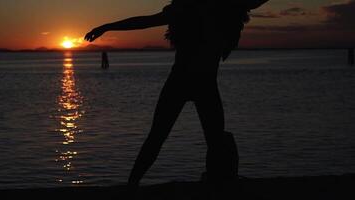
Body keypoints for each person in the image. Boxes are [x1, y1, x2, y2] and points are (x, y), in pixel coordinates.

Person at [85, 0, 268, 190]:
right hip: (191, 82)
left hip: (189, 82)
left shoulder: (217, 7)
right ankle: (133, 184)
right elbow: (144, 21)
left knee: (204, 139)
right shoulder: (207, 8)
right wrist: (107, 27)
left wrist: (106, 27)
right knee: (168, 137)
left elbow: (146, 21)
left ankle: (135, 184)